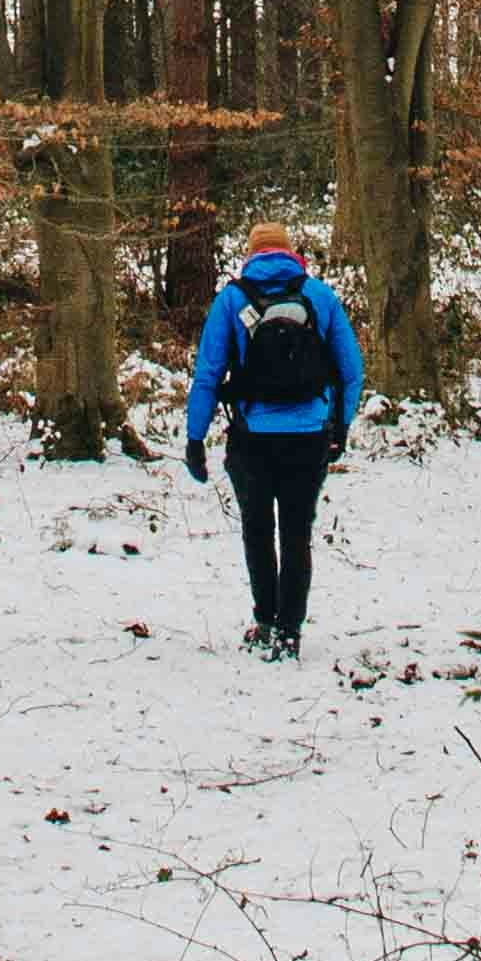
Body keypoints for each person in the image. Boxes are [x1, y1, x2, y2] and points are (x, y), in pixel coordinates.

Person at [182, 227, 364, 656]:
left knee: (258, 530)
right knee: (297, 533)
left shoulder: (231, 300)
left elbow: (207, 375)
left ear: (251, 255)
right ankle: (290, 632)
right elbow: (351, 371)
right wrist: (340, 426)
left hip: (253, 438)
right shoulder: (320, 297)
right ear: (290, 252)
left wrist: (195, 438)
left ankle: (265, 622)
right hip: (308, 435)